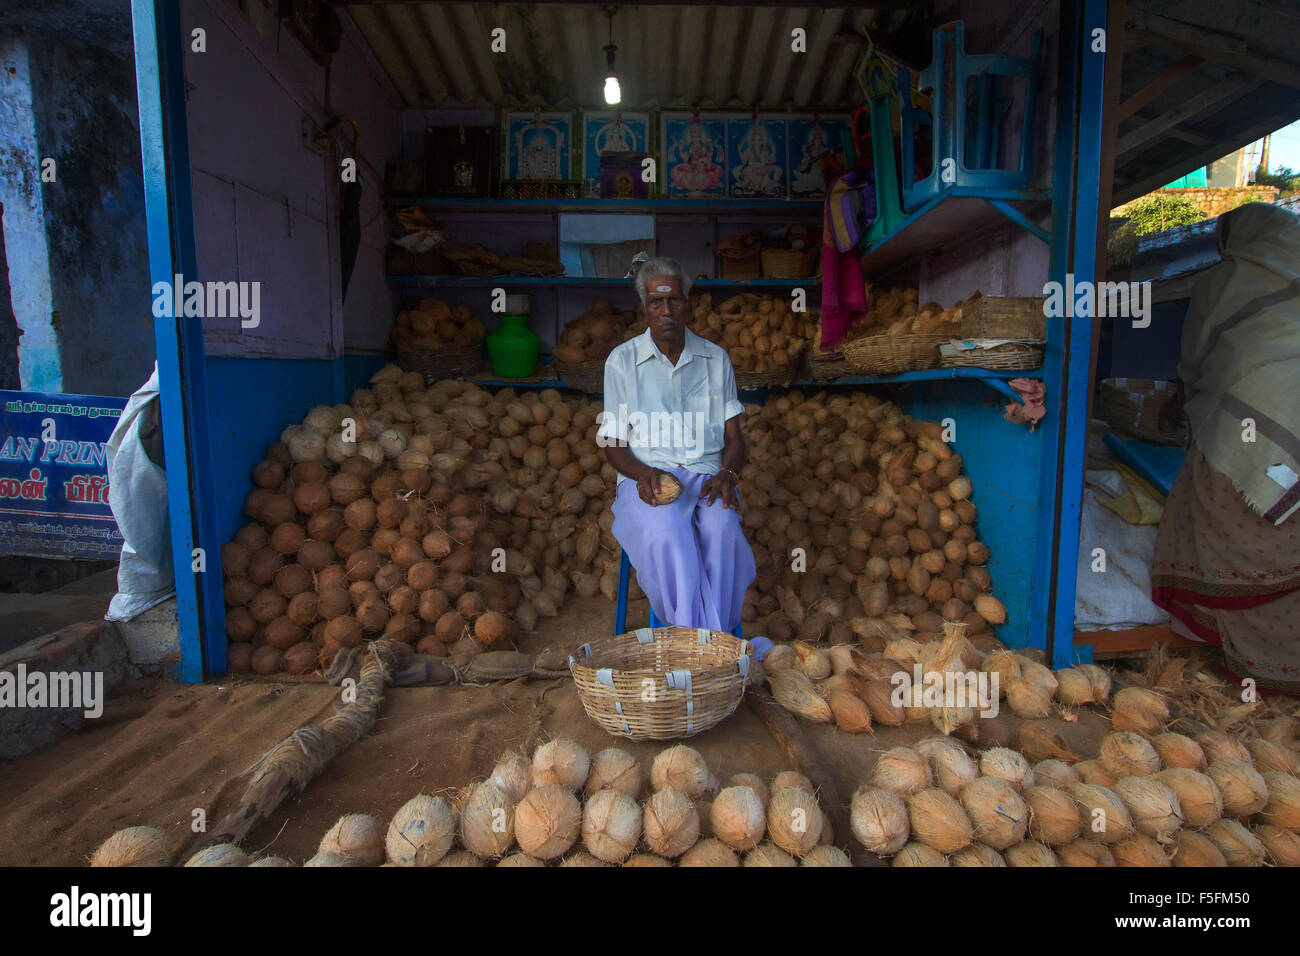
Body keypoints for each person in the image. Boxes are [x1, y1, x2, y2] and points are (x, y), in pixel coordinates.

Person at [1150, 202, 1300, 692]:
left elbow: (1201, 366)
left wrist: (1185, 400)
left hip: (1258, 433)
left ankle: (1262, 671)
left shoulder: (1225, 282)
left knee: (1212, 520)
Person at [597, 257, 755, 634]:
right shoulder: (622, 362)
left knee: (723, 531)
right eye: (656, 303)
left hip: (706, 477)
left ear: (688, 304)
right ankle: (696, 637)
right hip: (648, 478)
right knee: (667, 532)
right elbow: (613, 443)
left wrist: (727, 474)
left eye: (675, 301)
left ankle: (708, 640)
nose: (666, 311)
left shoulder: (715, 359)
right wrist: (643, 472)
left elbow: (735, 440)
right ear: (644, 309)